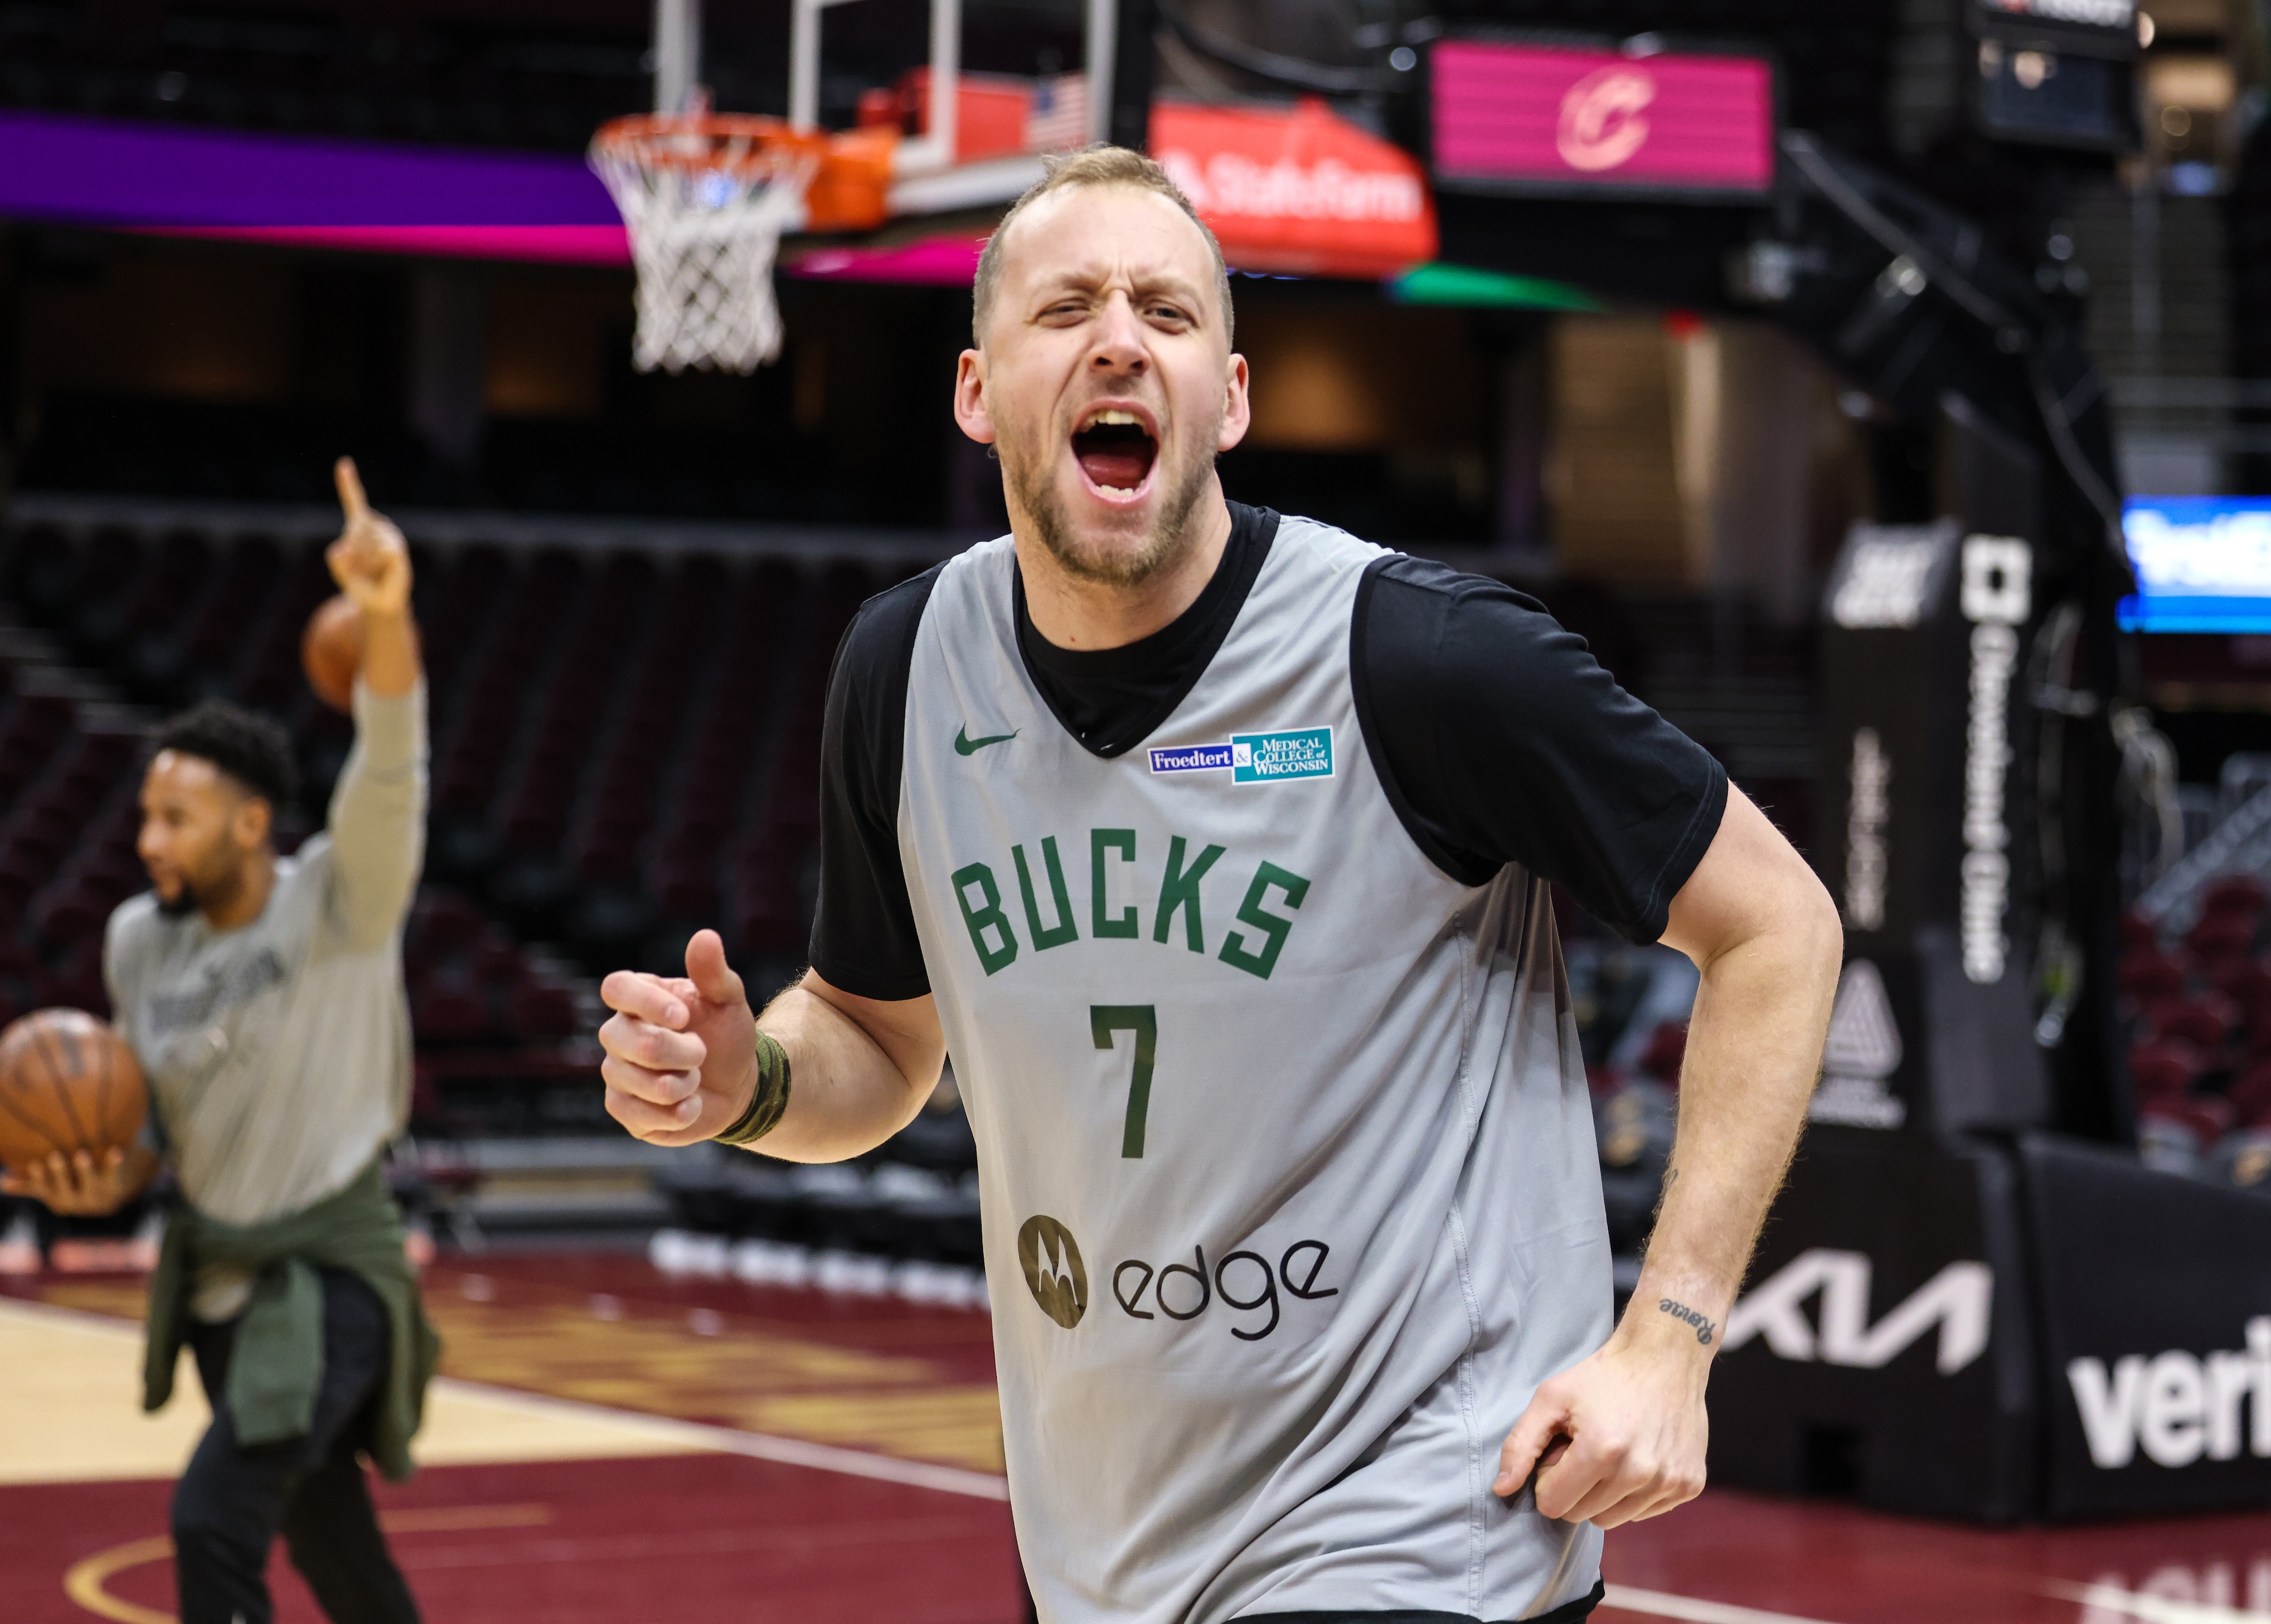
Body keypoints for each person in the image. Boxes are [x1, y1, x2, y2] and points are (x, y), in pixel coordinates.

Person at [598, 149, 1843, 1624]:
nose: (1119, 337)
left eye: (1168, 313)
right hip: (1105, 1546)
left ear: (1232, 400)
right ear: (978, 389)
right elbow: (878, 1042)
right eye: (1066, 307)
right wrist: (747, 1083)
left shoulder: (1419, 658)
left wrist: (1675, 1340)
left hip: (1421, 1520)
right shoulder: (905, 670)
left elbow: (1778, 923)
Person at [8, 459, 436, 1624]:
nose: (147, 836)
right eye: (146, 813)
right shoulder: (136, 944)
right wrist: (102, 1173)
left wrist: (386, 617)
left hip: (330, 1284)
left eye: (174, 817)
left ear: (251, 822)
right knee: (338, 1553)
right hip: (214, 1291)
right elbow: (148, 1136)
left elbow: (390, 765)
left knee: (213, 1523)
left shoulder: (340, 901)